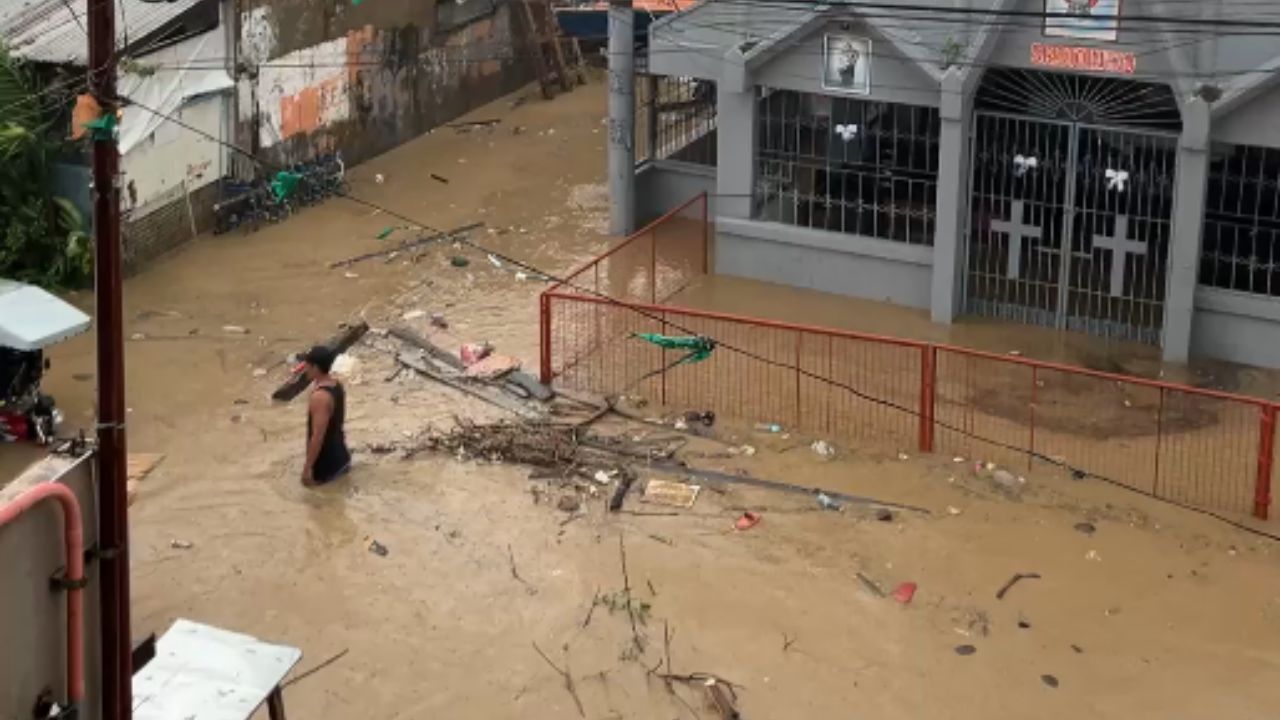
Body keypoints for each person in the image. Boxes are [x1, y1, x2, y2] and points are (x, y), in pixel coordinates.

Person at [296, 346, 351, 486]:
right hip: (342, 458)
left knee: (317, 506)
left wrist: (307, 468)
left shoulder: (319, 397)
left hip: (326, 467)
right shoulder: (336, 385)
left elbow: (318, 437)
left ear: (315, 367)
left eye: (307, 365)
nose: (304, 368)